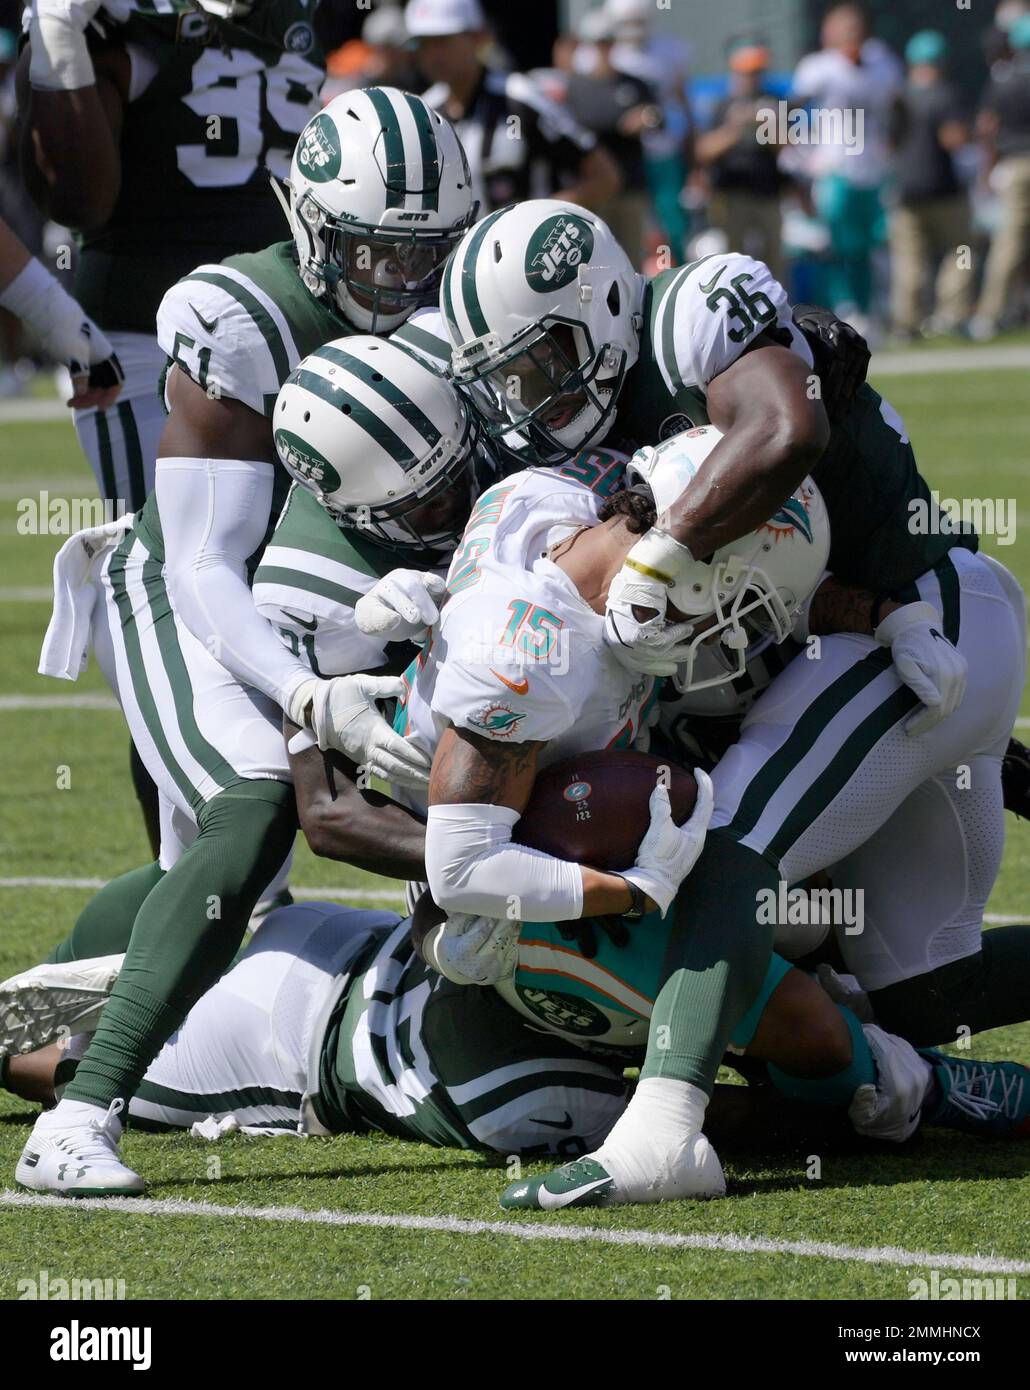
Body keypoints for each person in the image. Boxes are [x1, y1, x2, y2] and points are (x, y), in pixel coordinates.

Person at [435, 199, 1030, 1203]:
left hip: (916, 617)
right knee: (924, 992)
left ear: (610, 302)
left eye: (542, 365)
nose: (530, 404)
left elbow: (784, 427)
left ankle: (664, 1130)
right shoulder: (581, 463)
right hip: (842, 637)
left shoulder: (692, 312)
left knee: (729, 842)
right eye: (507, 380)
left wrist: (662, 558)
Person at [15, 94, 478, 1198]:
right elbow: (203, 565)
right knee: (262, 798)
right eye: (370, 251)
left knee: (225, 885)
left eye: (423, 254)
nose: (398, 282)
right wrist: (309, 697)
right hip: (193, 594)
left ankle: (59, 989)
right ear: (310, 225)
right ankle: (78, 1120)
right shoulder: (242, 320)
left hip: (355, 600)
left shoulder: (465, 309)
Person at [405, 0, 620, 215]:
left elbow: (604, 176)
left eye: (442, 41)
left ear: (478, 37)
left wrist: (541, 217)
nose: (432, 54)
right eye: (422, 44)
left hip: (526, 246)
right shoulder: (424, 111)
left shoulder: (520, 97)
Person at [790, 3, 903, 324]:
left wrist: (893, 146)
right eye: (843, 27)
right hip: (835, 169)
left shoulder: (882, 62)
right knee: (836, 243)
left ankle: (866, 311)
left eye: (855, 26)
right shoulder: (819, 67)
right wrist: (801, 155)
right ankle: (840, 309)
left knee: (867, 246)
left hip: (873, 169)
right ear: (829, 33)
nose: (851, 33)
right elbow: (791, 110)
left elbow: (900, 109)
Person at [887, 30, 974, 339]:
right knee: (959, 252)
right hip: (944, 189)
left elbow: (889, 145)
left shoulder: (898, 96)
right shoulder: (946, 94)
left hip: (907, 191)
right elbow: (953, 139)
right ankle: (950, 316)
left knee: (909, 260)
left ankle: (907, 323)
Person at [562, 6, 662, 266]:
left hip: (631, 183)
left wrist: (647, 117)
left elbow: (659, 117)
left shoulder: (634, 83)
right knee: (594, 257)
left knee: (630, 256)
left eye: (608, 42)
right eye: (599, 43)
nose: (604, 49)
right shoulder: (578, 86)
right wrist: (623, 123)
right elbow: (582, 125)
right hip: (594, 185)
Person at [0, 215, 122, 409]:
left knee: (64, 270)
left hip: (60, 229)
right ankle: (14, 365)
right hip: (34, 222)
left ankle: (65, 361)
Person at [695, 36, 787, 285]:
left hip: (768, 193)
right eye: (748, 72)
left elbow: (787, 150)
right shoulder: (723, 106)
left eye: (757, 72)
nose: (753, 78)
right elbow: (703, 150)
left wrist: (767, 126)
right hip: (731, 194)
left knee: (773, 262)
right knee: (733, 261)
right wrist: (735, 128)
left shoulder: (774, 103)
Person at [970, 12, 1030, 339]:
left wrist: (986, 171)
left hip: (1015, 166)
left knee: (1009, 243)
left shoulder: (1003, 79)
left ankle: (990, 314)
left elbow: (987, 128)